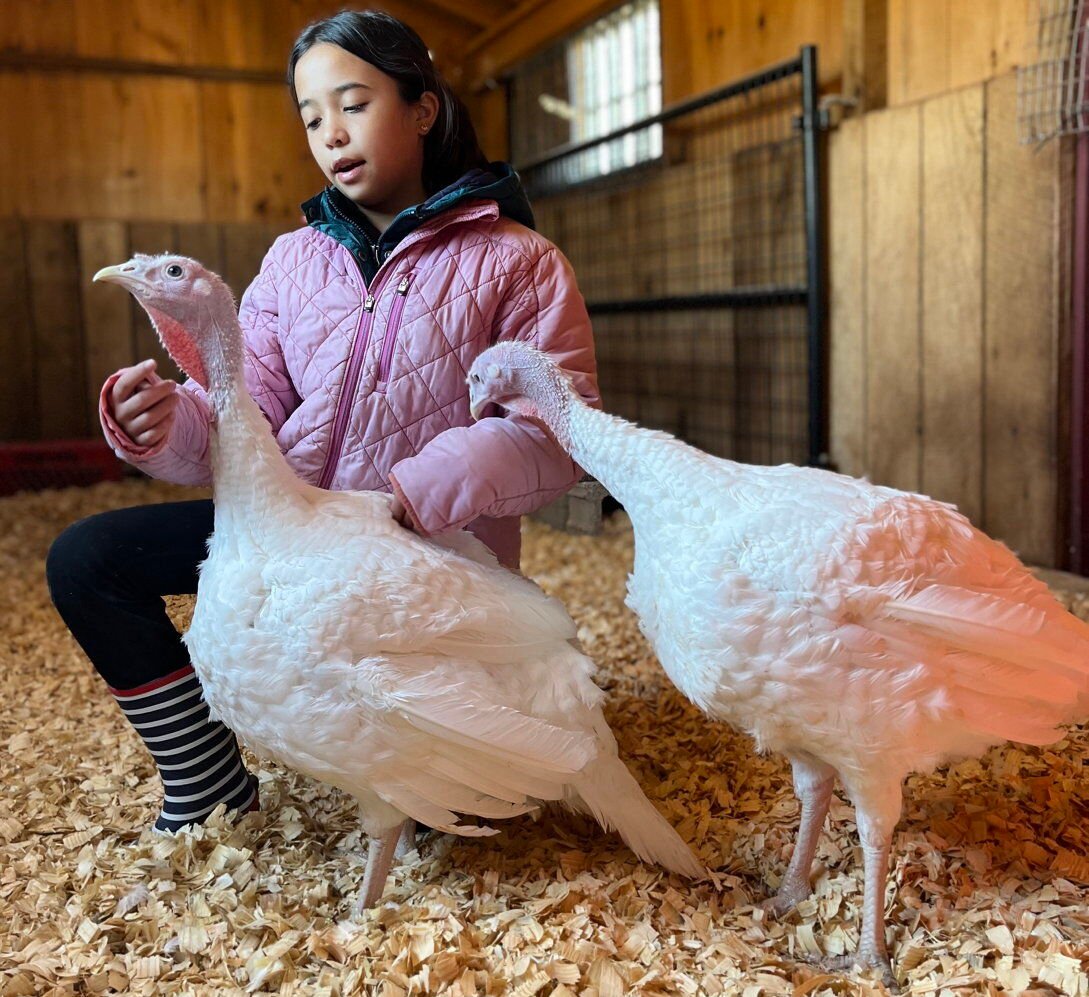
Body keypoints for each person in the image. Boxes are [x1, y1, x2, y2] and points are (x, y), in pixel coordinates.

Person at [46, 9, 599, 833]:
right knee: (88, 559)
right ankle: (206, 778)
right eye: (311, 117)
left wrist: (417, 491)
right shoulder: (293, 262)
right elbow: (251, 413)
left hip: (416, 551)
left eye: (353, 103)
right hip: (290, 537)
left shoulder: (516, 260)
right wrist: (166, 423)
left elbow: (556, 427)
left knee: (465, 822)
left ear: (423, 107)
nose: (330, 133)